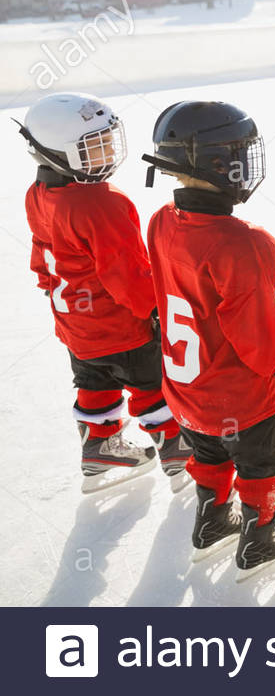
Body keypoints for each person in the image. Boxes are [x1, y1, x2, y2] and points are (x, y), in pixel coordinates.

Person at [144, 101, 275, 577]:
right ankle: (260, 535)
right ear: (219, 164)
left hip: (186, 395)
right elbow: (262, 343)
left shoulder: (160, 221)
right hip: (243, 403)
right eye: (239, 154)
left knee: (209, 455)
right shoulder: (240, 241)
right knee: (265, 463)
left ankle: (213, 520)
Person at [19, 92, 184, 494]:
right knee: (151, 384)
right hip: (121, 327)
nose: (107, 151)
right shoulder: (102, 203)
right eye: (92, 146)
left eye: (107, 140)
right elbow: (126, 275)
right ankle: (182, 453)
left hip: (76, 326)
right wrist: (157, 310)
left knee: (95, 381)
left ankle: (99, 446)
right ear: (55, 153)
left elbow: (43, 254)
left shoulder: (37, 194)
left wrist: (52, 291)